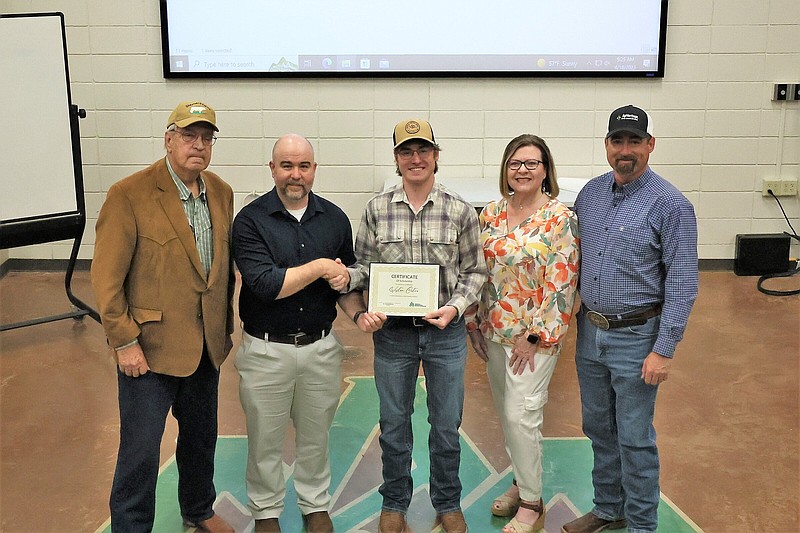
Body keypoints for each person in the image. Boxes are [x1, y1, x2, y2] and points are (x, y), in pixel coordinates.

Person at [91, 101, 235, 532]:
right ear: (168, 139)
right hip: (148, 352)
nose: (199, 145)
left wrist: (222, 332)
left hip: (205, 347)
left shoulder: (221, 193)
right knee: (140, 451)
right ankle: (132, 527)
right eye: (189, 136)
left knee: (200, 440)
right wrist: (123, 341)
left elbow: (219, 273)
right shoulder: (129, 194)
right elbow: (106, 279)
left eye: (207, 138)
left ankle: (199, 510)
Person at [561, 105, 698, 533]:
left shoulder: (671, 205)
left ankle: (642, 525)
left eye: (634, 141)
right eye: (617, 141)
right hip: (591, 333)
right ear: (606, 146)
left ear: (650, 146)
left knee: (635, 438)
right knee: (599, 429)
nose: (626, 150)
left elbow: (683, 283)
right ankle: (608, 509)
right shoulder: (590, 195)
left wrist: (664, 349)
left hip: (638, 336)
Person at [347, 119, 488, 533]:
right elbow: (363, 269)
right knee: (394, 423)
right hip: (394, 334)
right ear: (396, 159)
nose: (416, 158)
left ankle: (447, 502)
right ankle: (395, 502)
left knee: (446, 425)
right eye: (406, 151)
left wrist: (456, 308)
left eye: (423, 150)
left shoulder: (459, 209)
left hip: (445, 333)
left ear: (436, 156)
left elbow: (475, 272)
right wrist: (350, 288)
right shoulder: (377, 209)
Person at [232, 134, 375, 533]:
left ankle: (315, 505)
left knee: (316, 435)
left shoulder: (334, 218)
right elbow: (265, 284)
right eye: (287, 166)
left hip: (320, 347)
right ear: (272, 169)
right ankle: (266, 512)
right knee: (265, 440)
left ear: (314, 169)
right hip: (266, 351)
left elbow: (344, 284)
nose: (296, 175)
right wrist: (320, 267)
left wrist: (359, 315)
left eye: (304, 166)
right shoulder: (250, 221)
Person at [465, 134, 580, 533]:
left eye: (532, 163)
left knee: (522, 414)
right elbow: (478, 272)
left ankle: (532, 502)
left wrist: (534, 336)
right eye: (515, 163)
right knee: (507, 414)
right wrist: (473, 320)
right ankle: (520, 481)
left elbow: (562, 282)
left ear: (546, 170)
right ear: (505, 170)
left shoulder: (559, 218)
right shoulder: (491, 214)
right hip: (494, 330)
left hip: (534, 338)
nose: (523, 170)